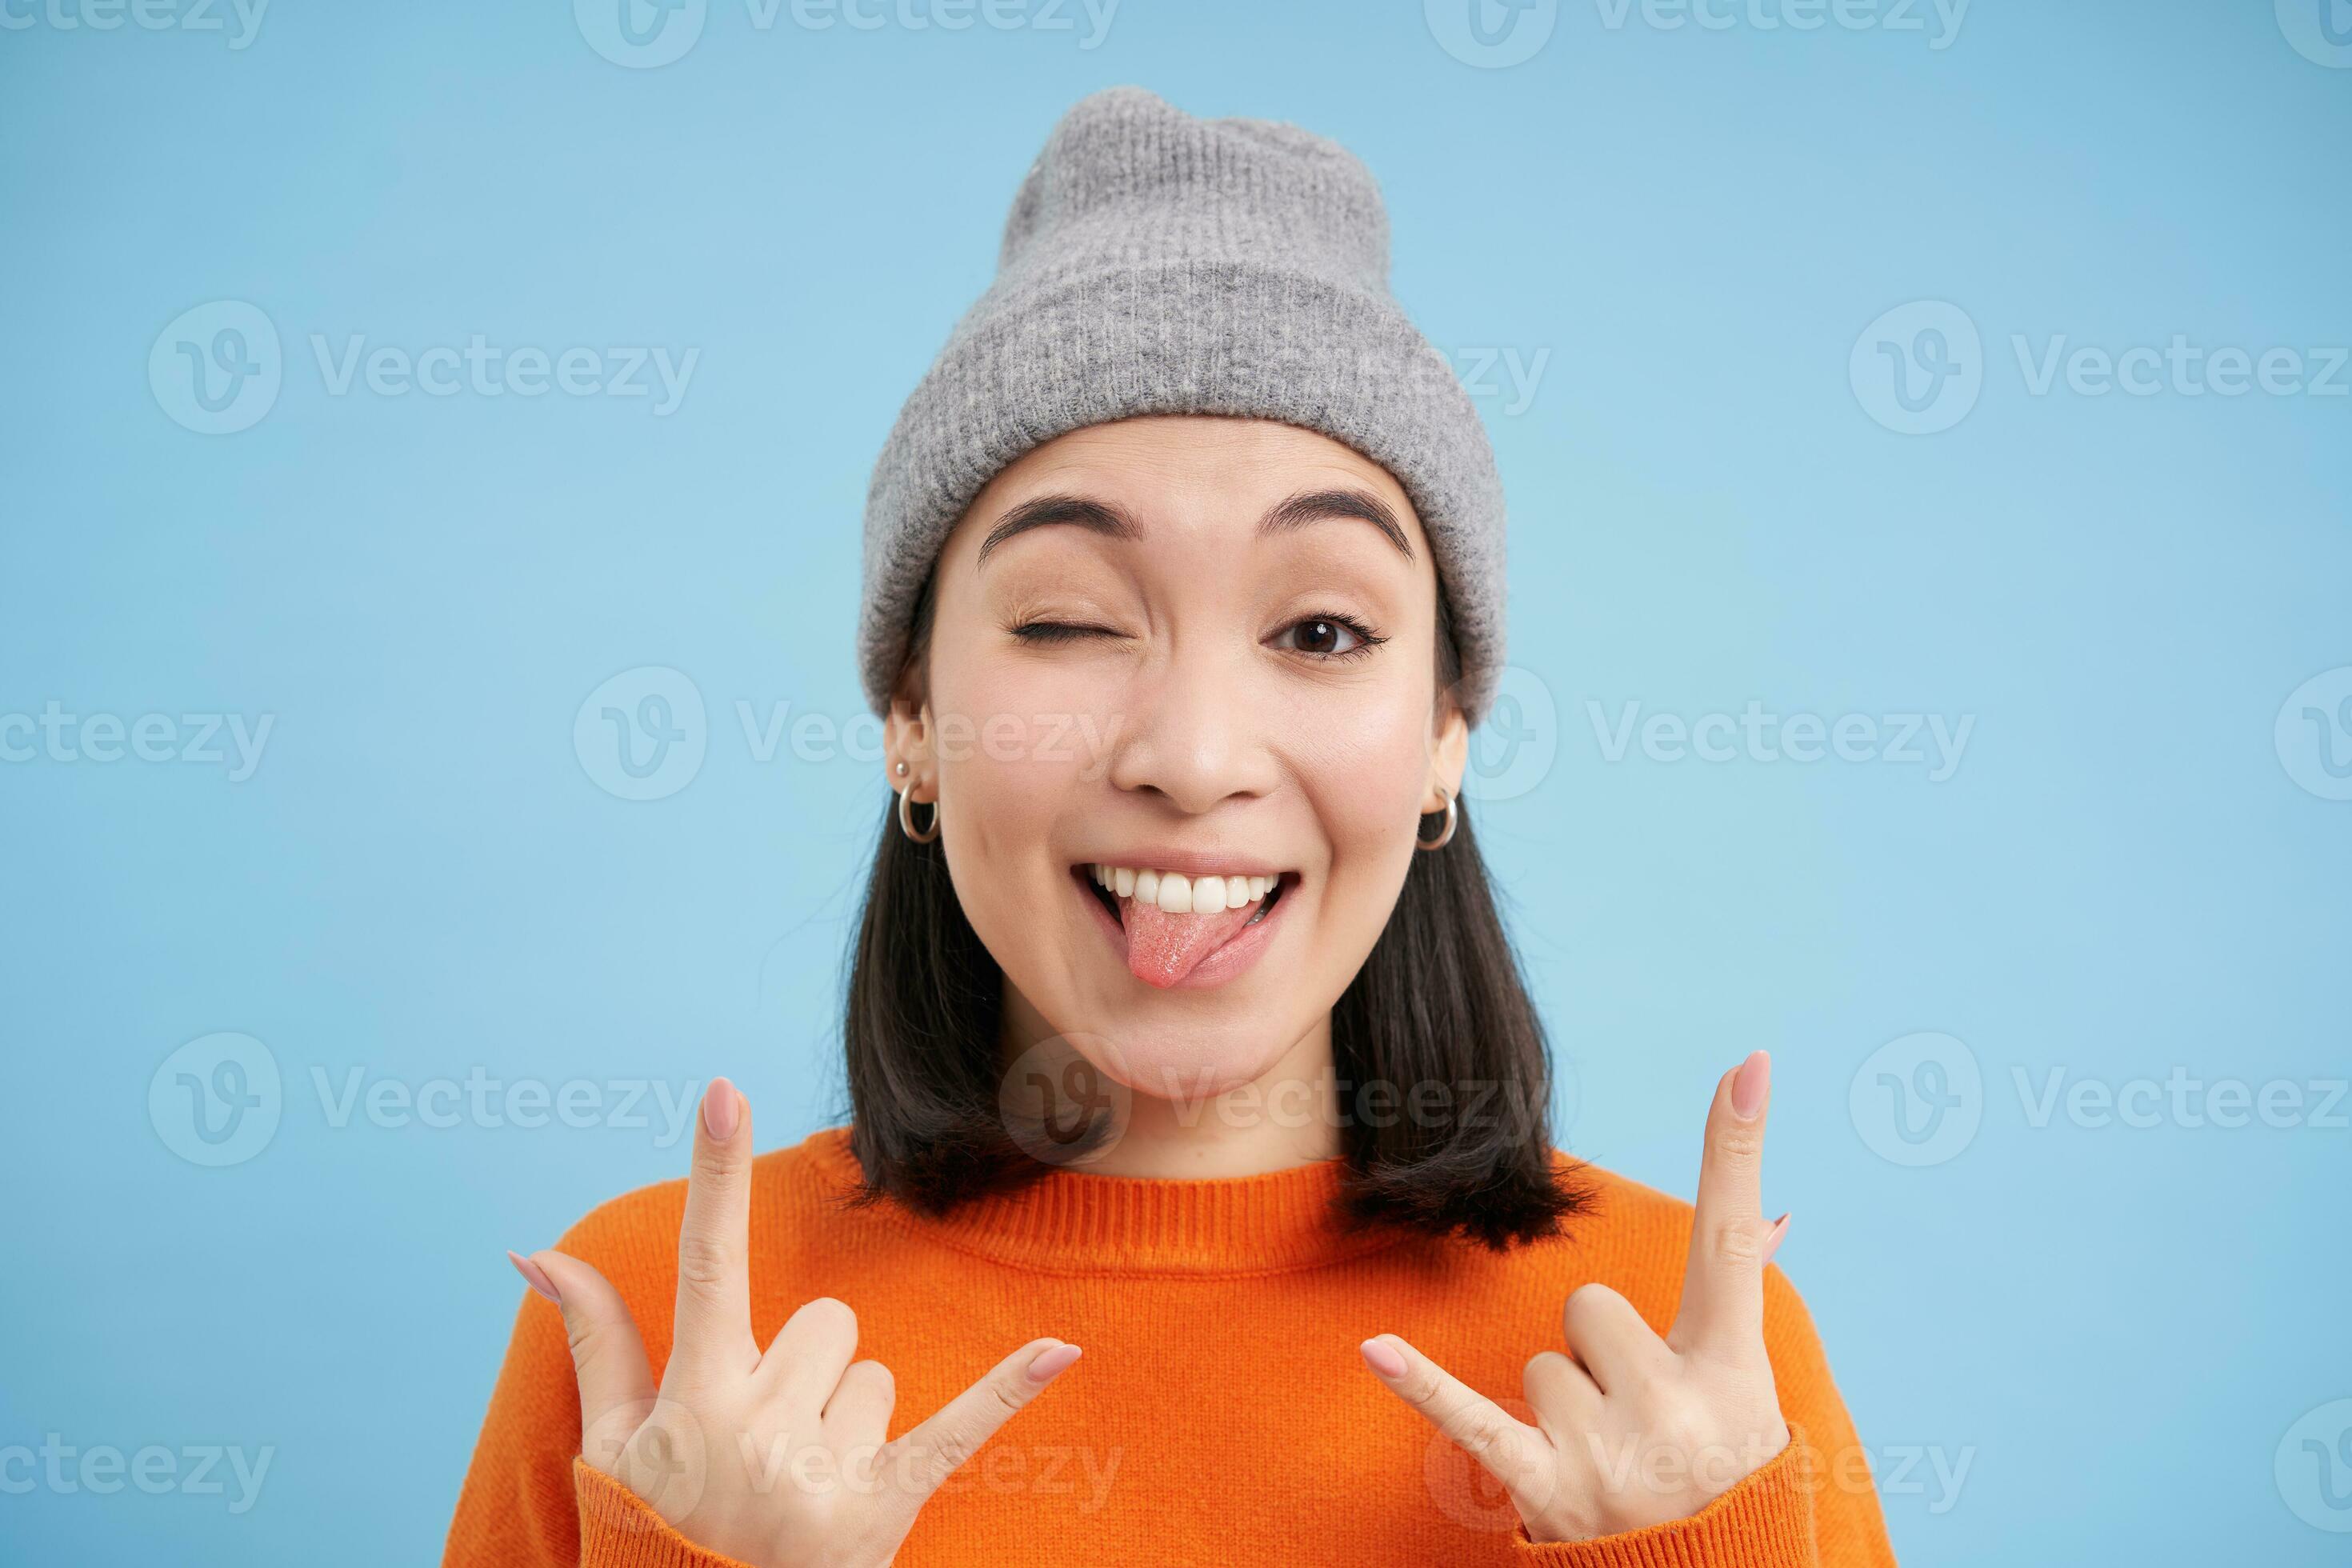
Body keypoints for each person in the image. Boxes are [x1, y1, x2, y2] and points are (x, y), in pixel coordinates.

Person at [443, 85, 1898, 1567]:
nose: (1194, 759)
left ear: (1447, 733)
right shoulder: (661, 1348)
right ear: (913, 718)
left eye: (1324, 630)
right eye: (1069, 621)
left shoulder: (1692, 1366)